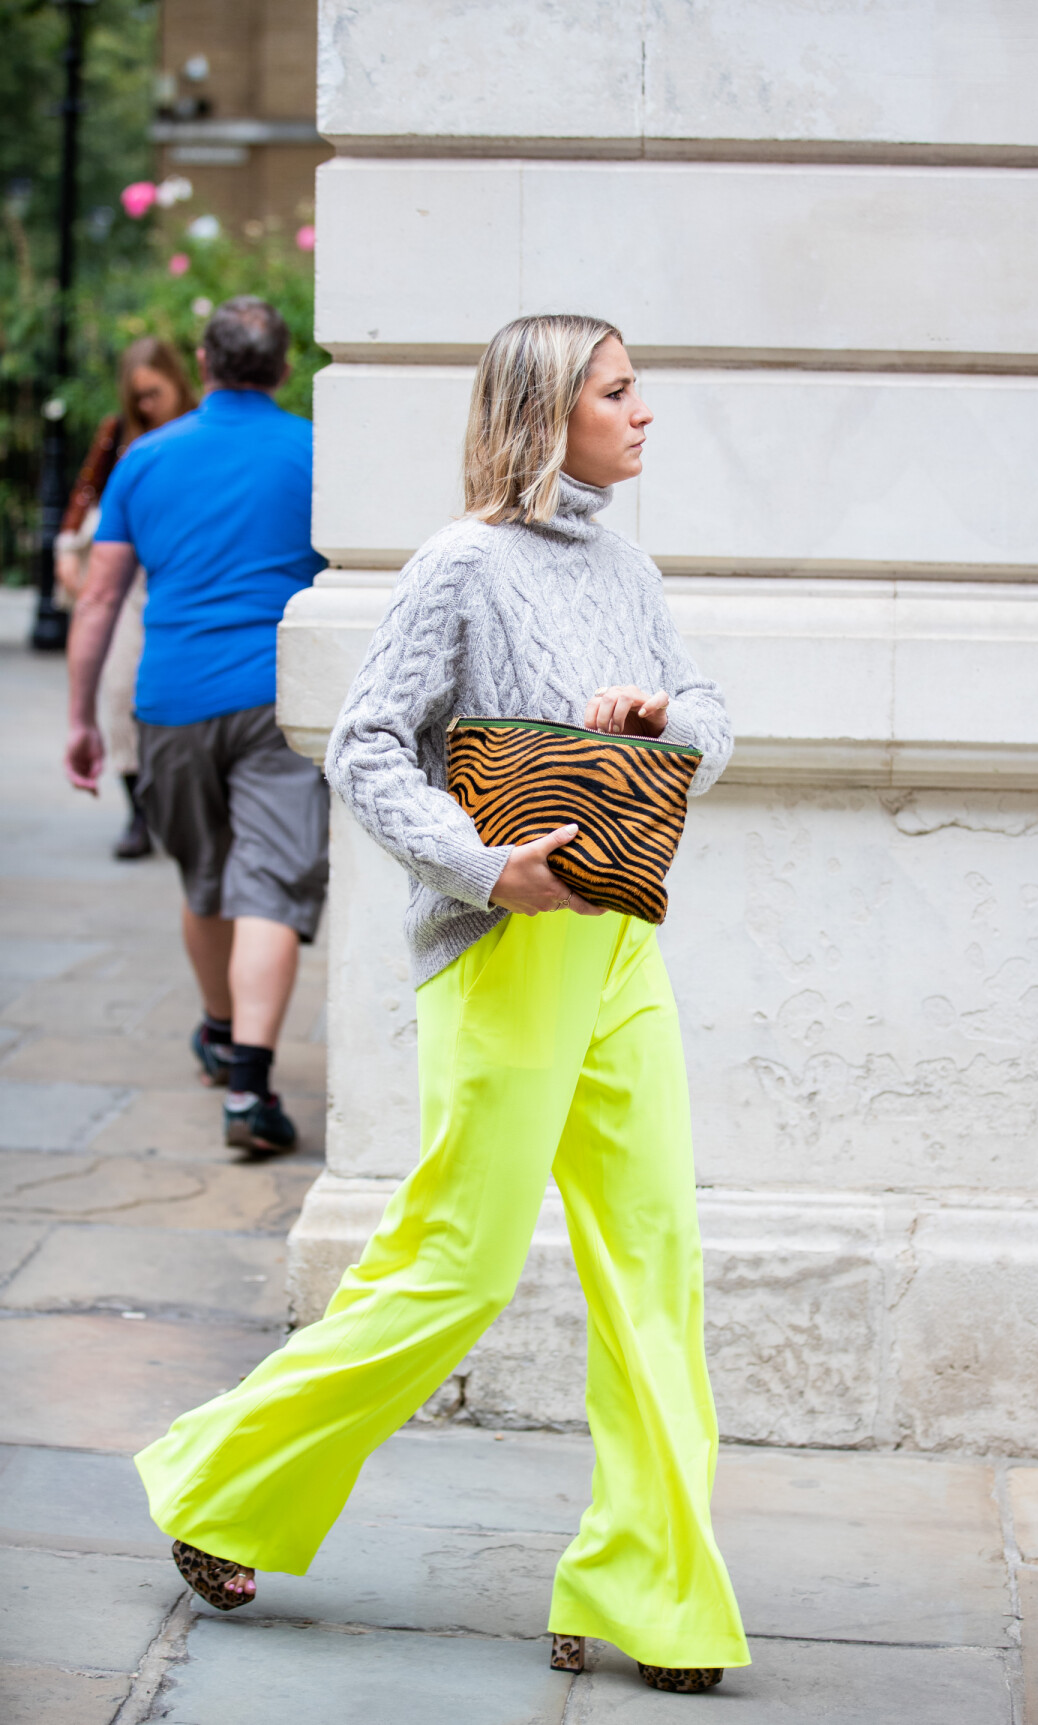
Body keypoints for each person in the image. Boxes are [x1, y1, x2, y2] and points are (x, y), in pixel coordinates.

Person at [129, 314, 750, 1693]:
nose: (645, 412)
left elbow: (714, 709)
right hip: (505, 954)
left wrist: (663, 721)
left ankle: (644, 1588)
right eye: (618, 391)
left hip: (621, 952)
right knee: (456, 1268)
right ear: (547, 411)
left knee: (655, 1265)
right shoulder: (461, 566)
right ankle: (218, 1480)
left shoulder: (628, 562)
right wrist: (484, 866)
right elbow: (361, 747)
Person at [64, 296, 327, 1154]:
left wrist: (81, 720)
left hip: (171, 700)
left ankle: (219, 1029)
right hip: (276, 698)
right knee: (272, 887)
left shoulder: (147, 457)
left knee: (207, 879)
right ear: (285, 370)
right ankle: (250, 1089)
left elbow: (100, 597)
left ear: (204, 367)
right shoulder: (316, 451)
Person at [56, 337, 196, 858]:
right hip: (128, 578)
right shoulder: (120, 436)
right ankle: (139, 812)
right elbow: (86, 492)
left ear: (177, 380)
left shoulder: (196, 429)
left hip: (180, 575)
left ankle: (172, 804)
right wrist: (67, 548)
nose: (145, 406)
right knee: (120, 689)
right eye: (136, 396)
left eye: (153, 392)